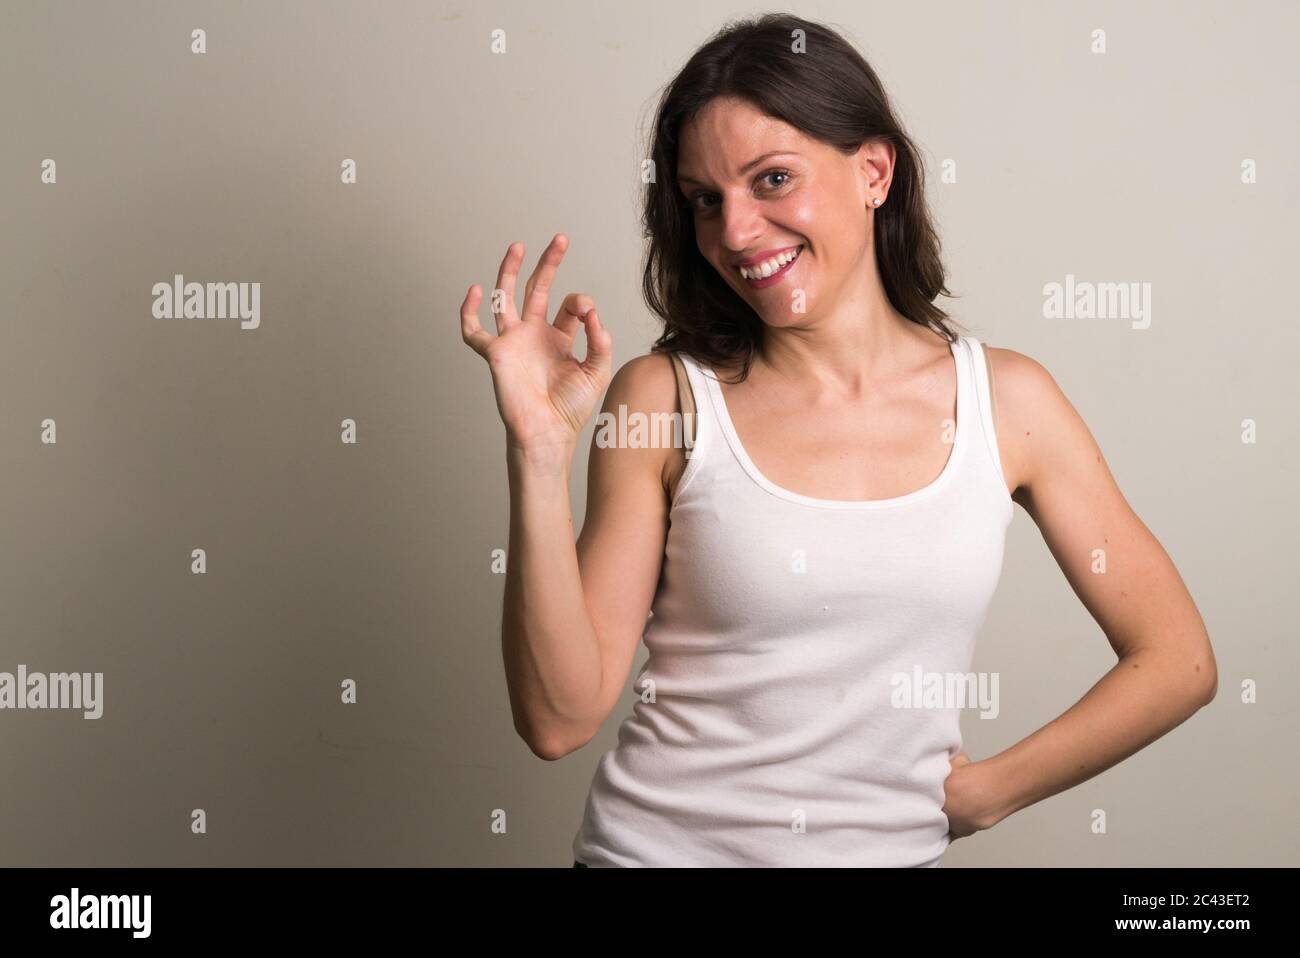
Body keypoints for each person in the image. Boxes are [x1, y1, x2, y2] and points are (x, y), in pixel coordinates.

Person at [459, 13, 1216, 867]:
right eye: (706, 201)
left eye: (772, 179)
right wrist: (537, 448)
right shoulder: (664, 399)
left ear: (874, 171)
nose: (736, 232)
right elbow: (559, 719)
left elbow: (1178, 659)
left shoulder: (1008, 400)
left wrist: (995, 788)